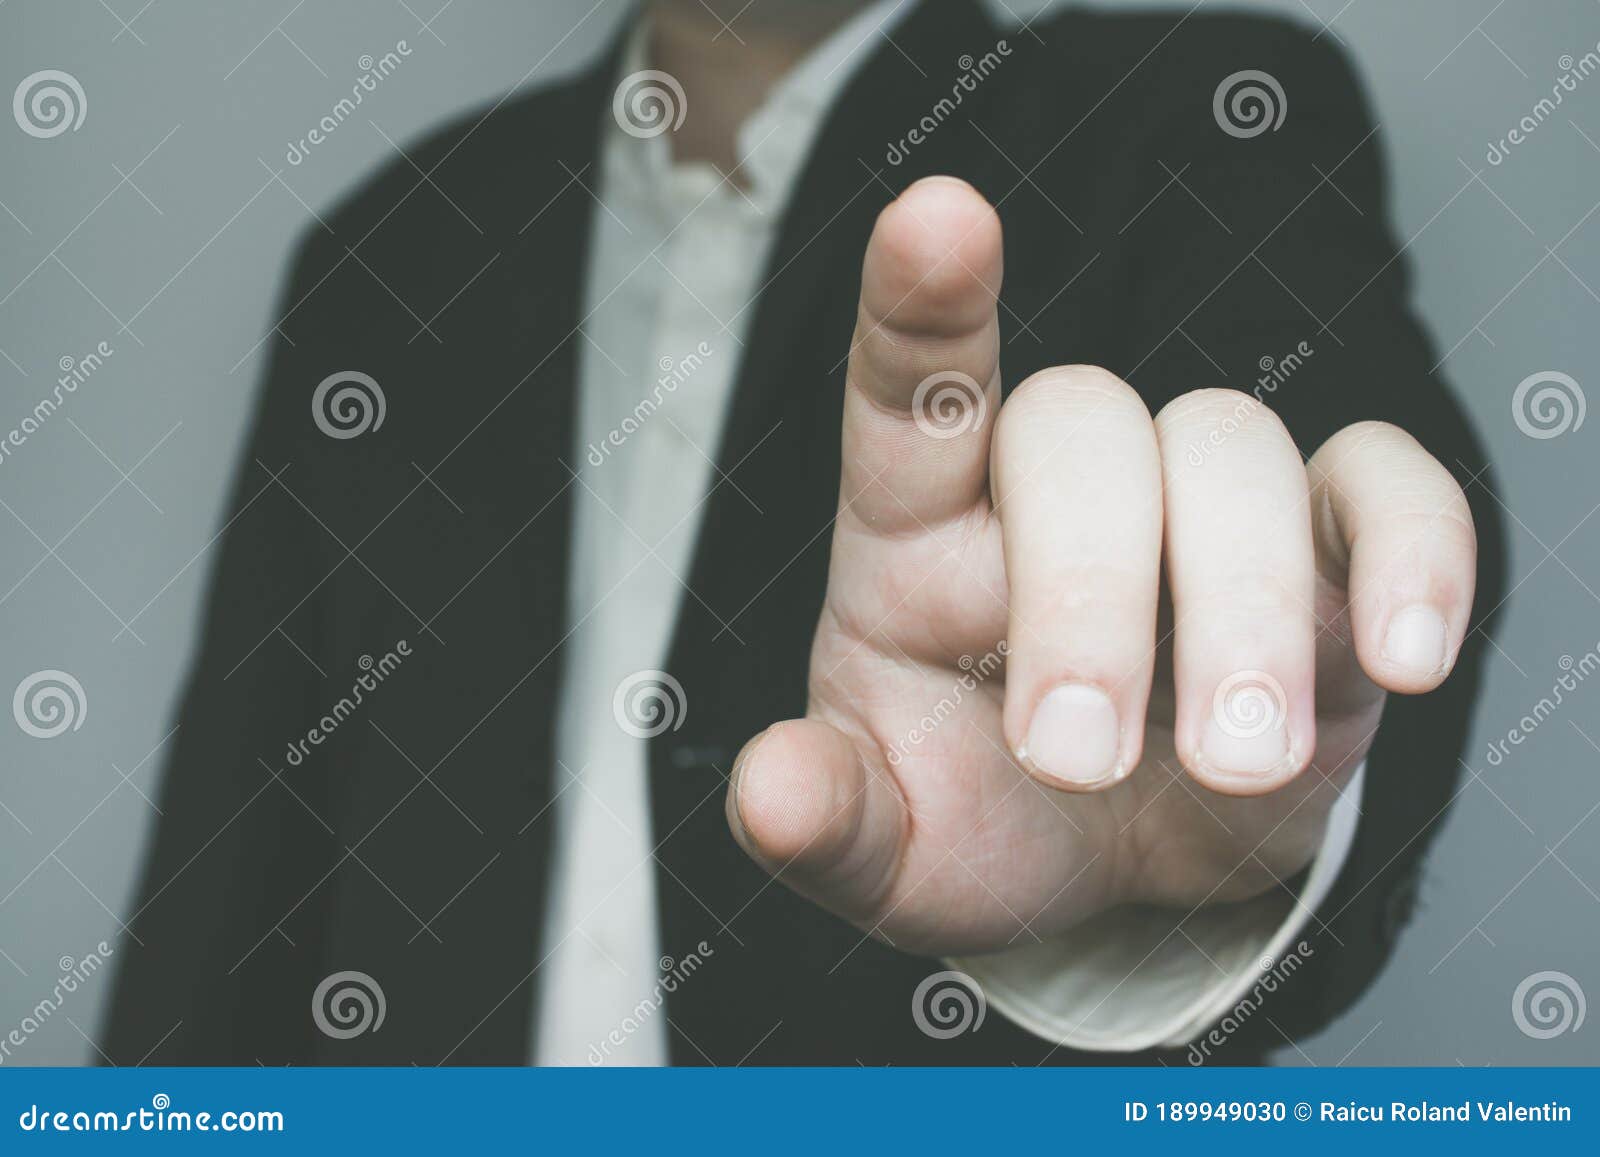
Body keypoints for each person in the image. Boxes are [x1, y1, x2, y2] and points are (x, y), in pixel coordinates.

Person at [104, 0, 1502, 1065]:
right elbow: (234, 860)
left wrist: (1225, 823)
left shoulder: (1190, 122)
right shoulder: (392, 250)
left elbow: (1344, 495)